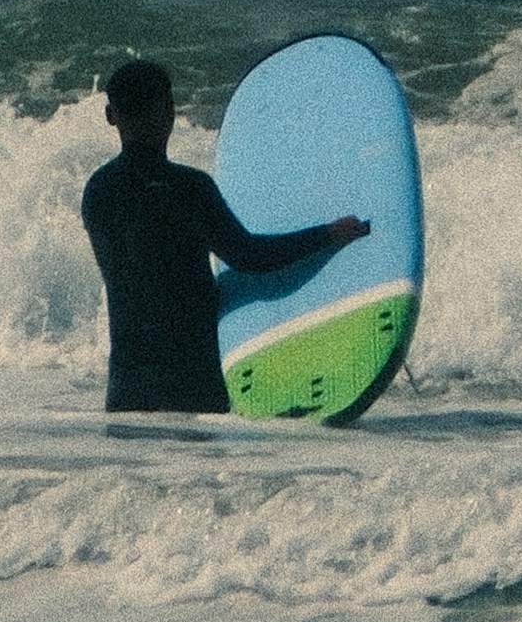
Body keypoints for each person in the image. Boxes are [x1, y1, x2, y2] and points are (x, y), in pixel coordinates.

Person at [77, 60, 364, 414]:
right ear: (171, 112)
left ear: (110, 115)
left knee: (139, 472)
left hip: (128, 387)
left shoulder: (98, 191)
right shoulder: (189, 188)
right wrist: (327, 235)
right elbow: (249, 256)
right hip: (193, 380)